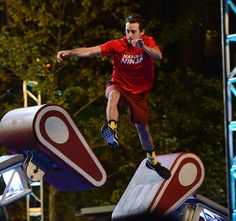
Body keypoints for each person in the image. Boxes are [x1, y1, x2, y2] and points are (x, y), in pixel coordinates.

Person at [56, 14, 171, 180]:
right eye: (127, 31)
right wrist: (70, 52)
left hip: (138, 93)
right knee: (113, 94)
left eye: (133, 32)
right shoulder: (117, 45)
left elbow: (158, 56)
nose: (130, 35)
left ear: (142, 32)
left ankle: (152, 161)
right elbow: (90, 51)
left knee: (143, 128)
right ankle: (112, 129)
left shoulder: (148, 41)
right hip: (119, 84)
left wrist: (143, 46)